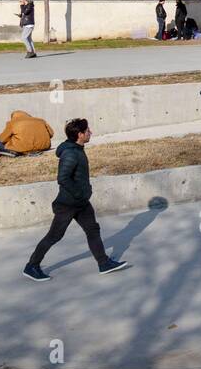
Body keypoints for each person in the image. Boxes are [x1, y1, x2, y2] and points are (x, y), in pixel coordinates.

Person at [23, 118, 130, 281]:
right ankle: (32, 266)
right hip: (68, 204)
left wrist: (83, 195)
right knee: (54, 236)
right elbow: (63, 178)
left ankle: (104, 263)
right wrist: (80, 193)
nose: (90, 132)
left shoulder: (77, 148)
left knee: (93, 230)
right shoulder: (71, 153)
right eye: (88, 131)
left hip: (81, 203)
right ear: (80, 134)